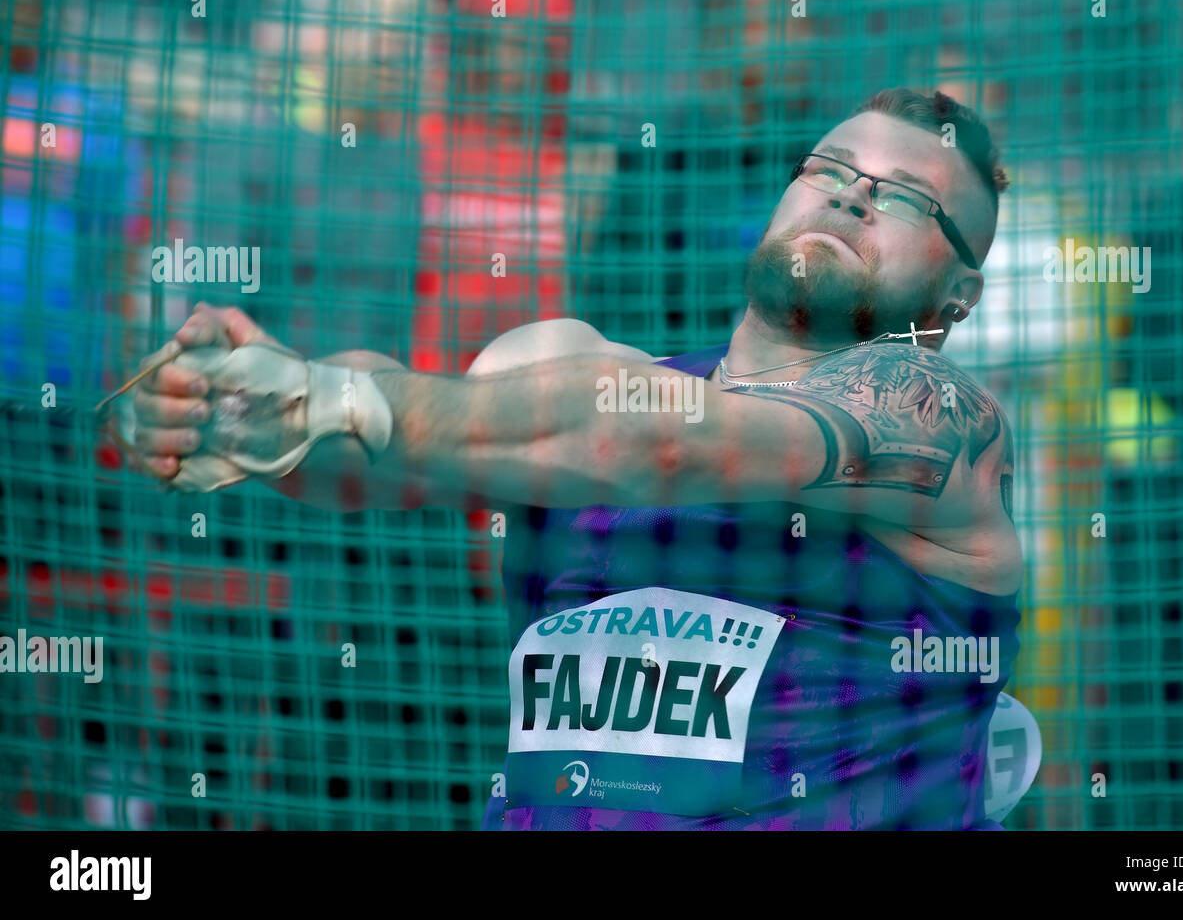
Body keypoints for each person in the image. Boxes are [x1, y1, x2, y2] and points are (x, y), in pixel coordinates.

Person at [118, 87, 1021, 829]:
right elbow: (388, 451)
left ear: (960, 292)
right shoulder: (567, 364)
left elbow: (655, 442)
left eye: (904, 196)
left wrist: (341, 399)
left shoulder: (943, 426)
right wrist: (254, 400)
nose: (850, 194)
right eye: (828, 168)